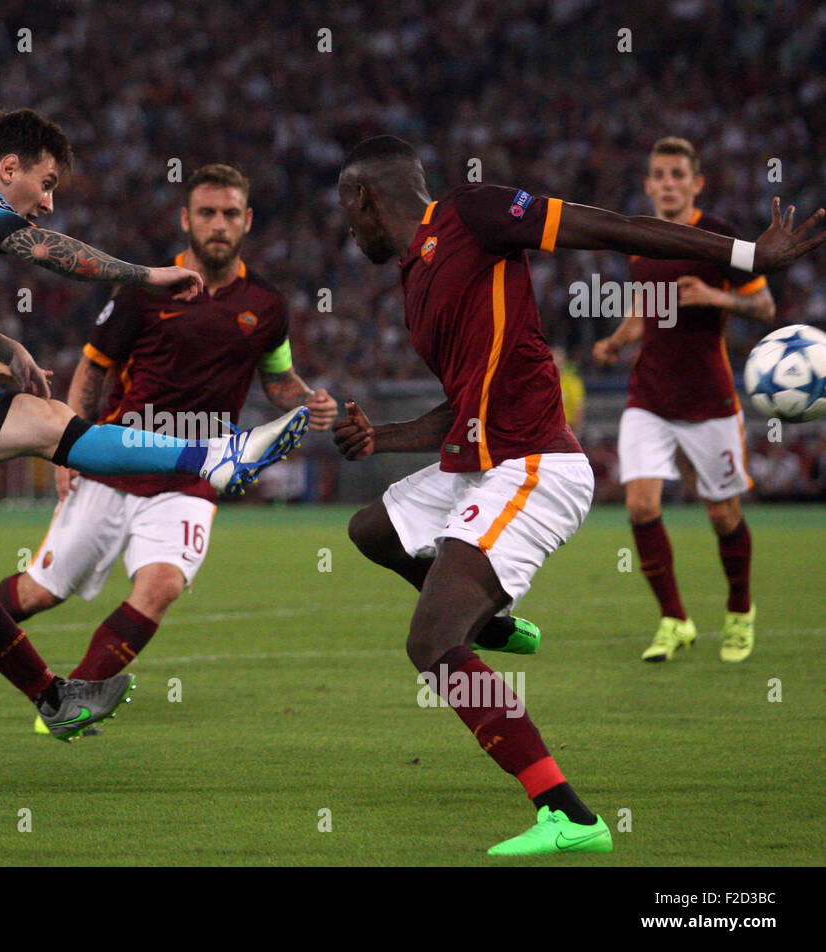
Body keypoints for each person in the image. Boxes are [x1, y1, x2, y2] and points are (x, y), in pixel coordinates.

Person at [332, 135, 824, 855]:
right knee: (372, 530)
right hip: (482, 459)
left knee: (433, 643)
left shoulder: (473, 214)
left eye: (348, 213)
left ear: (364, 199)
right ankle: (494, 624)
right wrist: (382, 437)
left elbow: (605, 226)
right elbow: (460, 406)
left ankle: (567, 813)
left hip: (534, 465)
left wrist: (747, 256)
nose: (349, 229)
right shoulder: (417, 282)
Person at [0, 108, 307, 823]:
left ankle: (217, 455)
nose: (49, 201)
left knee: (48, 421)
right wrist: (147, 275)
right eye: (45, 183)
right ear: (8, 169)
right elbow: (45, 249)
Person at [0, 164, 337, 728]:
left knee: (162, 585)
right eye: (206, 213)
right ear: (186, 220)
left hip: (196, 474)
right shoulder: (147, 290)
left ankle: (68, 705)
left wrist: (308, 400)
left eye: (228, 214)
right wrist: (67, 447)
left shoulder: (266, 305)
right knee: (42, 591)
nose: (217, 224)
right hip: (114, 461)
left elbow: (278, 379)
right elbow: (93, 371)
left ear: (246, 221)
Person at [593, 137, 774, 664]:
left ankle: (740, 611)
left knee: (722, 513)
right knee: (641, 503)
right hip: (648, 394)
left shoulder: (719, 236)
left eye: (678, 175)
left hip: (710, 398)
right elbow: (644, 305)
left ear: (695, 183)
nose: (668, 183)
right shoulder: (638, 238)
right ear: (648, 184)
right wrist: (619, 340)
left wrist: (714, 296)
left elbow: (763, 304)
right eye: (659, 175)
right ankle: (674, 620)